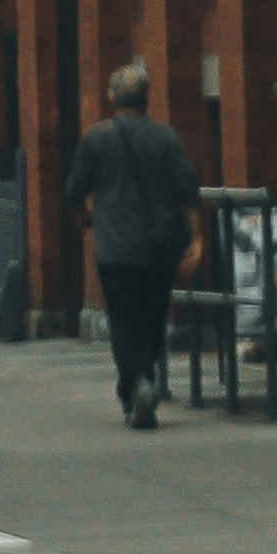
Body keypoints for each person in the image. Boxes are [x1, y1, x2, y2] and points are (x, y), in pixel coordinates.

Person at [64, 61, 202, 428]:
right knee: (153, 319)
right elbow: (189, 190)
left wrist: (84, 219)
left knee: (123, 322)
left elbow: (74, 191)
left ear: (111, 97)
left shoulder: (95, 139)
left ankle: (136, 386)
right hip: (159, 250)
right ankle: (145, 377)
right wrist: (196, 239)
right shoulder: (166, 137)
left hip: (116, 250)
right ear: (147, 97)